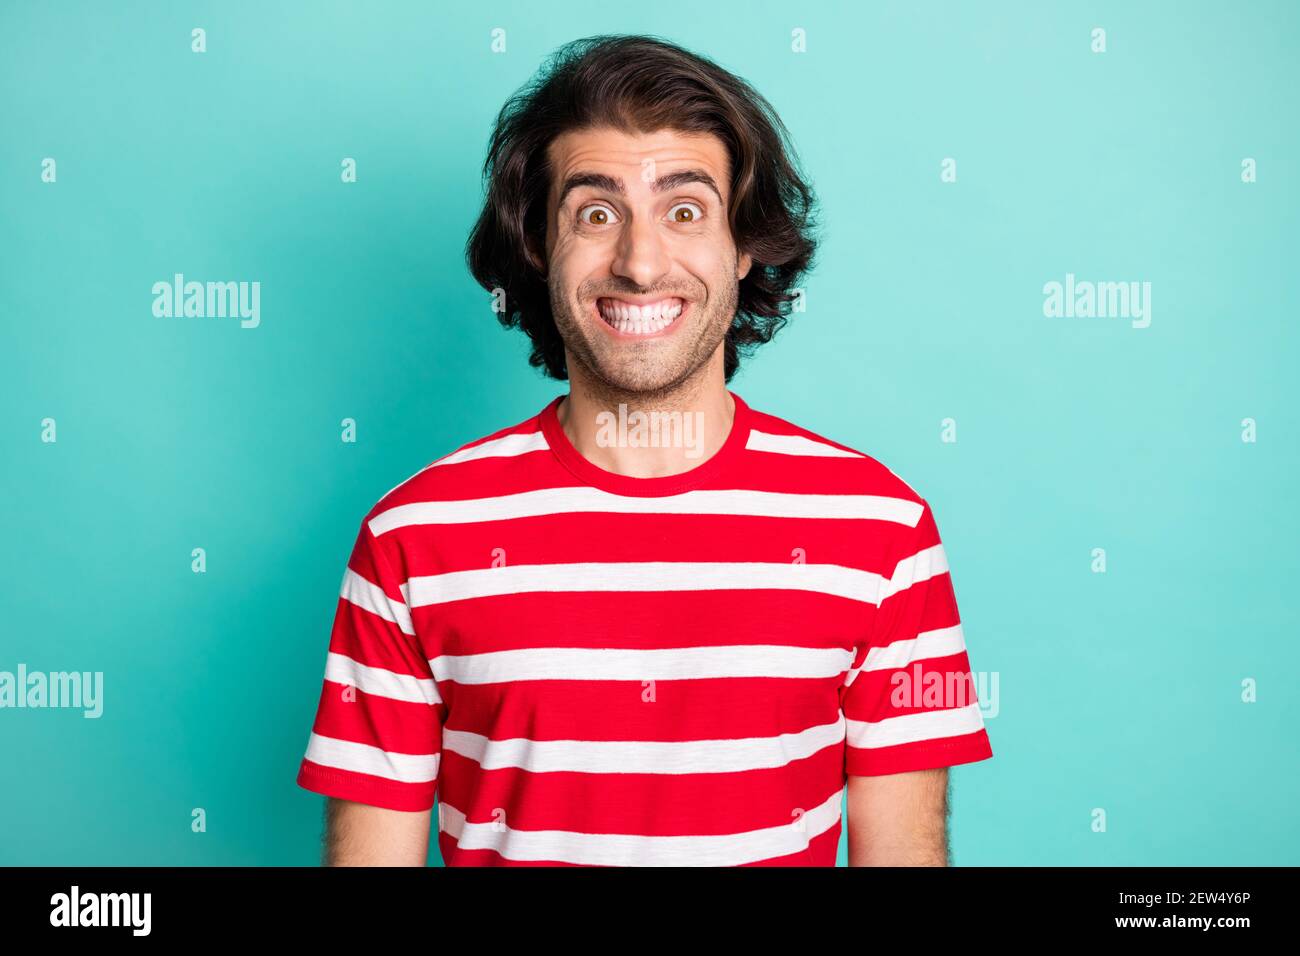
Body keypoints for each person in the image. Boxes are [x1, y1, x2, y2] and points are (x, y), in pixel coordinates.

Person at [296, 33, 992, 866]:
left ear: (743, 245)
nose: (639, 261)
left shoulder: (885, 533)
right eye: (596, 213)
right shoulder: (411, 538)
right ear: (537, 247)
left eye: (685, 210)